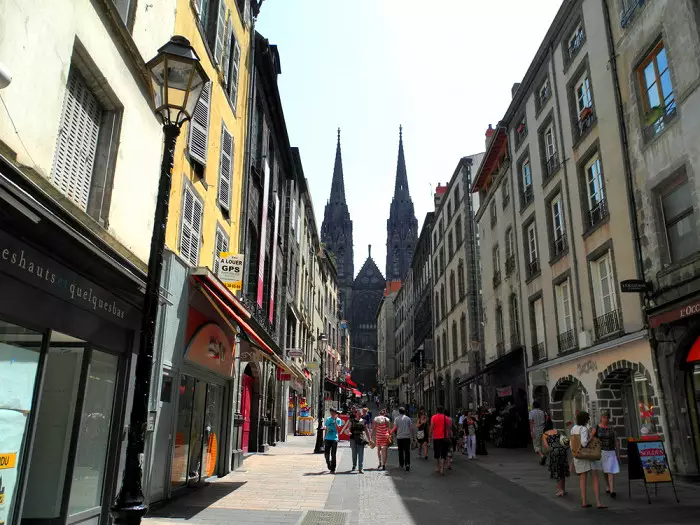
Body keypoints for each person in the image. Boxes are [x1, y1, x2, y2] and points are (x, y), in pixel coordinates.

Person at [571, 411, 606, 509]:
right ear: (585, 419)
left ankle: (584, 501)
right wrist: (591, 437)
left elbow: (572, 442)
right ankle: (598, 502)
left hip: (577, 455)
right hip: (586, 455)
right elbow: (584, 443)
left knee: (582, 479)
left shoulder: (573, 428)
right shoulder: (583, 429)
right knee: (595, 477)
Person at [597, 410, 620, 498]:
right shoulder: (597, 428)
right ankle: (607, 485)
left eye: (607, 418)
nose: (605, 419)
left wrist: (618, 453)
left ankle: (612, 490)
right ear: (601, 418)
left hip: (611, 451)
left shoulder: (612, 429)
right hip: (602, 451)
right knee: (605, 471)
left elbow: (616, 441)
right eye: (604, 418)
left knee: (610, 470)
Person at [342, 407, 372, 473]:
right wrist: (348, 431)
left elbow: (366, 431)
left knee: (361, 453)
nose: (358, 414)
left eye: (360, 414)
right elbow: (348, 428)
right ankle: (354, 465)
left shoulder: (363, 421)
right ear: (355, 414)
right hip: (353, 439)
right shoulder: (352, 421)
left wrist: (370, 439)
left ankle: (360, 468)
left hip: (361, 439)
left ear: (361, 414)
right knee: (354, 453)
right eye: (357, 413)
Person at [542, 425, 570, 497]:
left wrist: (550, 451)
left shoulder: (545, 434)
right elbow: (564, 440)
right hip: (562, 451)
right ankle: (563, 489)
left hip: (554, 453)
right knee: (562, 470)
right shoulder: (558, 431)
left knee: (557, 471)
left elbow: (546, 446)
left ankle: (560, 490)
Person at [391, 406, 414, 471]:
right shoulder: (408, 419)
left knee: (400, 451)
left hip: (400, 437)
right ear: (404, 412)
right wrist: (413, 437)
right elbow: (411, 428)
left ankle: (401, 464)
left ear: (399, 412)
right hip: (407, 437)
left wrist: (390, 432)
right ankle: (407, 464)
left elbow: (395, 427)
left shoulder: (397, 419)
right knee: (407, 451)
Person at [429, 405, 451, 475]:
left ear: (437, 410)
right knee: (443, 453)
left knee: (437, 453)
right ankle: (442, 469)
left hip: (436, 437)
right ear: (442, 410)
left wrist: (430, 435)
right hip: (444, 438)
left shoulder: (433, 417)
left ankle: (437, 467)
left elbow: (431, 427)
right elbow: (448, 428)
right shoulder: (446, 418)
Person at [323, 408, 342, 473]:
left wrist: (335, 421)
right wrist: (324, 429)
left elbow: (338, 429)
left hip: (334, 439)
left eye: (333, 412)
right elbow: (326, 427)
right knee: (326, 454)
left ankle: (333, 468)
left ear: (335, 413)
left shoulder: (339, 420)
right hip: (327, 438)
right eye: (331, 412)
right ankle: (328, 463)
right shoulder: (328, 419)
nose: (332, 413)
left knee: (333, 454)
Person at [529, 401, 547, 466]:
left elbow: (531, 423)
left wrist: (531, 431)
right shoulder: (542, 412)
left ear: (533, 406)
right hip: (543, 429)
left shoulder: (531, 413)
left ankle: (542, 456)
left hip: (536, 430)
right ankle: (543, 456)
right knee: (543, 444)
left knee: (536, 445)